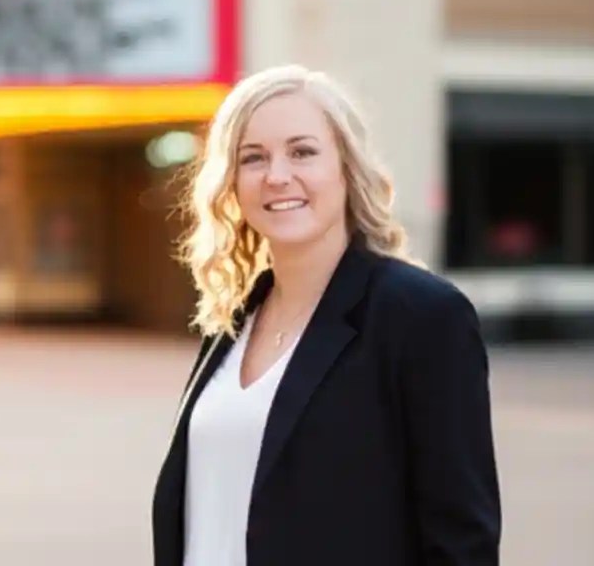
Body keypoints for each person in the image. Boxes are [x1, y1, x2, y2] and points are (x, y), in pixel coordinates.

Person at [152, 65, 501, 565]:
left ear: (346, 167)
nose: (277, 176)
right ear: (232, 182)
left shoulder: (421, 316)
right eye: (253, 158)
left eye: (302, 152)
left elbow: (463, 541)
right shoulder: (232, 322)